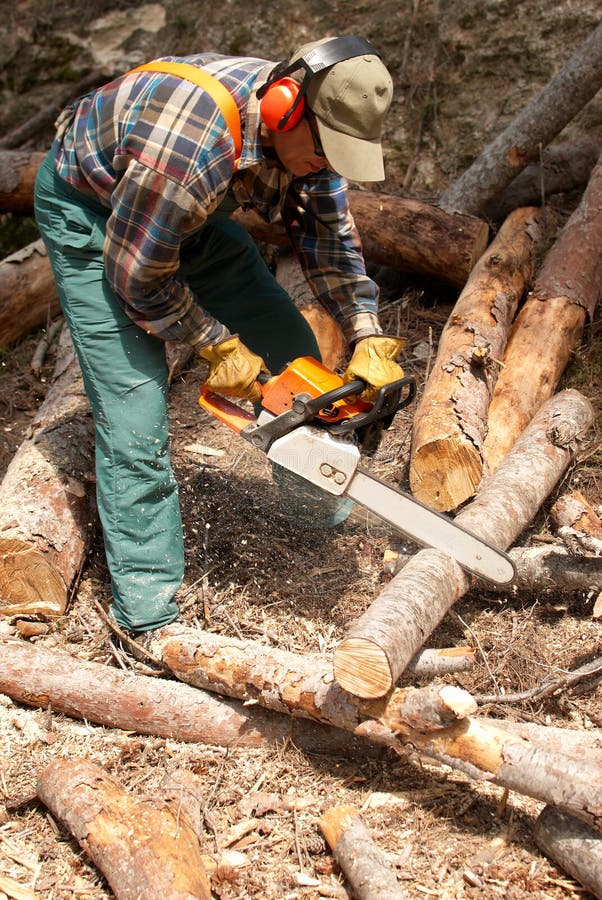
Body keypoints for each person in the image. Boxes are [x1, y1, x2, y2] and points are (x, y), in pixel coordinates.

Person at [34, 35, 406, 638]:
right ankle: (148, 617)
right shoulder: (194, 146)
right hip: (97, 216)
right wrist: (214, 342)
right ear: (286, 105)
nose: (330, 163)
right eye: (325, 148)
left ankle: (314, 508)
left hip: (185, 214)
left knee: (294, 353)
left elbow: (330, 242)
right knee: (135, 410)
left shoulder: (309, 143)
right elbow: (136, 274)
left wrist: (366, 332)